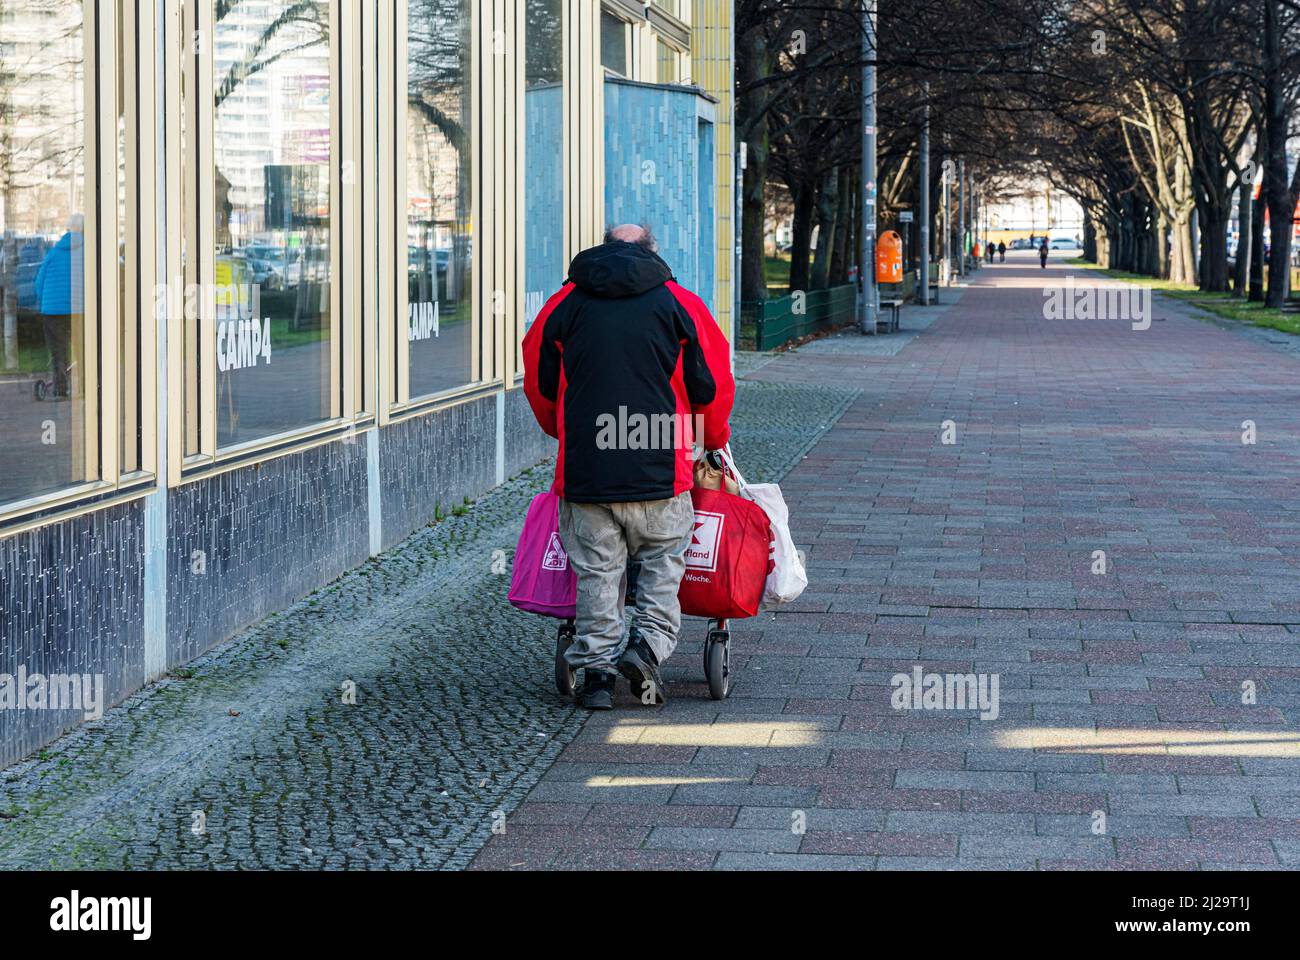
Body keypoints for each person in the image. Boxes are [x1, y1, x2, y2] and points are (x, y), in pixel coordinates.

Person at [523, 224, 734, 711]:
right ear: (652, 252)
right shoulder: (681, 303)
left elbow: (540, 381)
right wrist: (711, 440)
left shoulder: (563, 305)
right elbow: (713, 385)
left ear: (603, 247)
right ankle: (646, 650)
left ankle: (597, 673)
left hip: (587, 470)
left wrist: (568, 433)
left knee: (598, 572)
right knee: (663, 565)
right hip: (662, 467)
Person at [33, 215, 85, 400]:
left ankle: (61, 390)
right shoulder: (89, 252)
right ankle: (86, 389)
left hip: (52, 310)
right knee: (83, 349)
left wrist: (45, 301)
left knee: (58, 351)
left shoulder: (54, 252)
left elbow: (39, 282)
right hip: (80, 309)